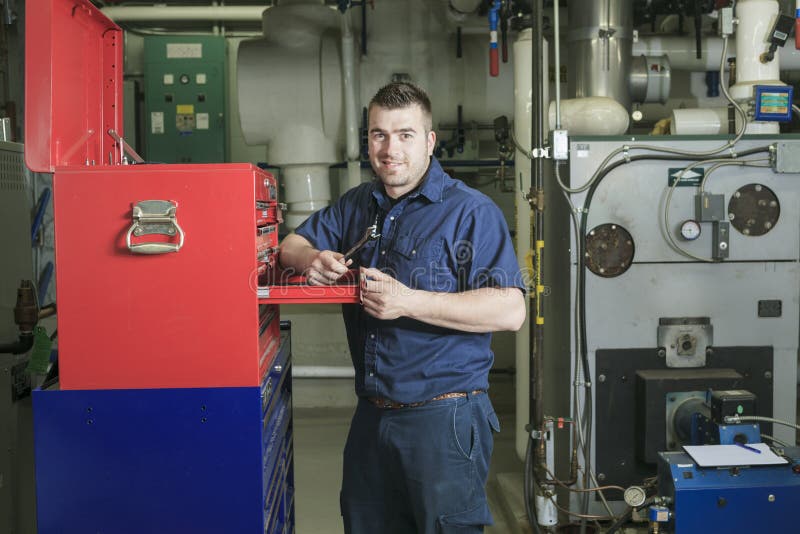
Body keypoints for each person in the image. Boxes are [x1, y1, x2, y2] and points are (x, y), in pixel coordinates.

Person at [279, 82, 526, 534]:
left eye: (405, 134)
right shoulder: (359, 204)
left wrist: (407, 301)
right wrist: (311, 258)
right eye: (379, 134)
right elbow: (290, 244)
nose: (390, 149)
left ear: (430, 141)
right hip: (371, 418)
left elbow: (509, 310)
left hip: (443, 421)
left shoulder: (471, 212)